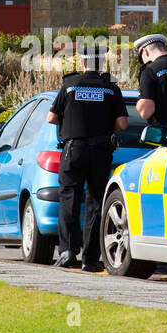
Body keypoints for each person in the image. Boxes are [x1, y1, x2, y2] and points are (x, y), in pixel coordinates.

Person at [47, 44, 129, 272]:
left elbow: (51, 117)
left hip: (73, 150)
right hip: (100, 151)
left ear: (82, 63)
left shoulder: (70, 85)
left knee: (69, 200)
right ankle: (90, 259)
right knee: (95, 203)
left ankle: (67, 251)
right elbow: (122, 124)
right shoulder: (111, 88)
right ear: (102, 63)